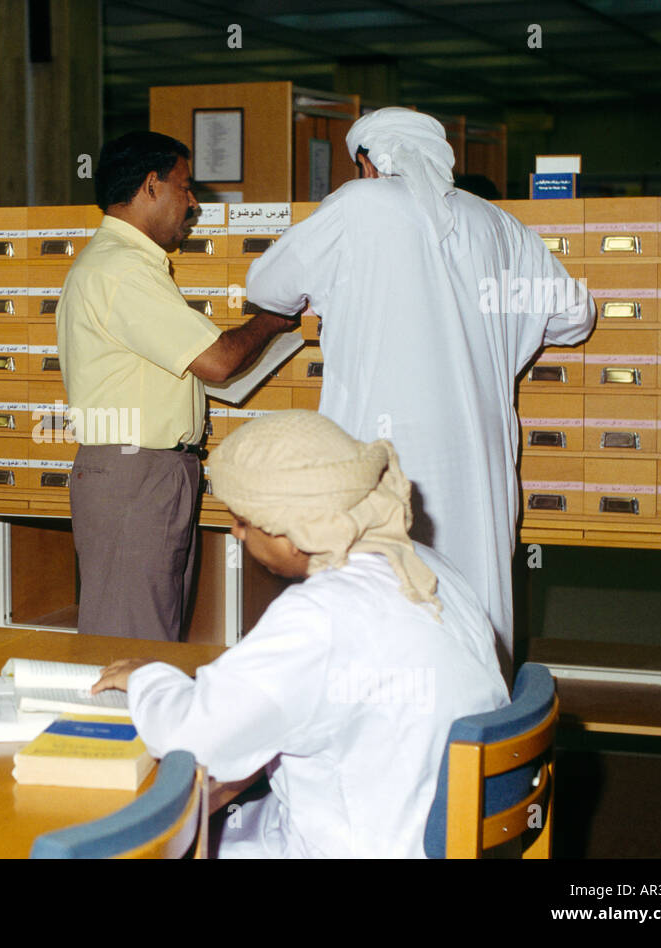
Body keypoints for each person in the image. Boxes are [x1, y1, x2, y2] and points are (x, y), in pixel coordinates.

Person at [245, 108, 595, 664]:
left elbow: (267, 285)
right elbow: (575, 316)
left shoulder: (358, 206)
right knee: (473, 596)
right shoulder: (498, 225)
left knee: (379, 595)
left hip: (378, 453)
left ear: (368, 161)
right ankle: (477, 736)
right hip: (474, 453)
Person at [93, 410, 508, 858]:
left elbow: (192, 739)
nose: (235, 533)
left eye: (243, 521)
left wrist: (147, 678)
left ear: (295, 534)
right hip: (436, 833)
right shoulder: (426, 564)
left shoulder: (322, 614)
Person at [57, 131, 299, 641]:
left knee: (152, 633)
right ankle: (116, 724)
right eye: (184, 187)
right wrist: (273, 319)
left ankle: (140, 721)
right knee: (130, 641)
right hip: (136, 473)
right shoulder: (122, 271)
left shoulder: (127, 265)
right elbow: (216, 360)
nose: (192, 203)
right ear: (151, 186)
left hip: (149, 471)